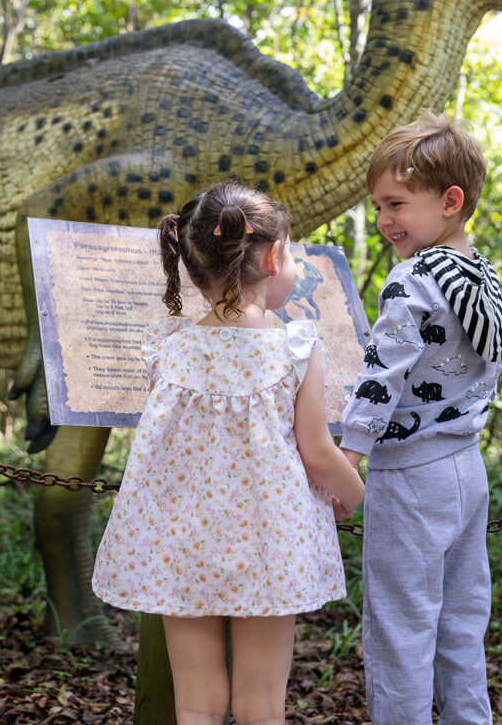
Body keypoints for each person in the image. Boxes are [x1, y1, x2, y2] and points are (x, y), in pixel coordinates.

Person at [92, 180, 364, 725]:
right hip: (269, 542)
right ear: (273, 255)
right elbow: (317, 453)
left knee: (196, 704)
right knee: (261, 706)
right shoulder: (294, 347)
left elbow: (164, 445)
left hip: (182, 542)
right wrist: (359, 496)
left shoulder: (168, 346)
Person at [339, 112, 502, 725]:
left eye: (396, 203)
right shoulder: (478, 275)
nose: (385, 220)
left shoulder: (413, 278)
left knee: (400, 626)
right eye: (379, 205)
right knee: (463, 620)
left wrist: (349, 455)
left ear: (450, 201)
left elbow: (382, 373)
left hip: (411, 475)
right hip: (466, 468)